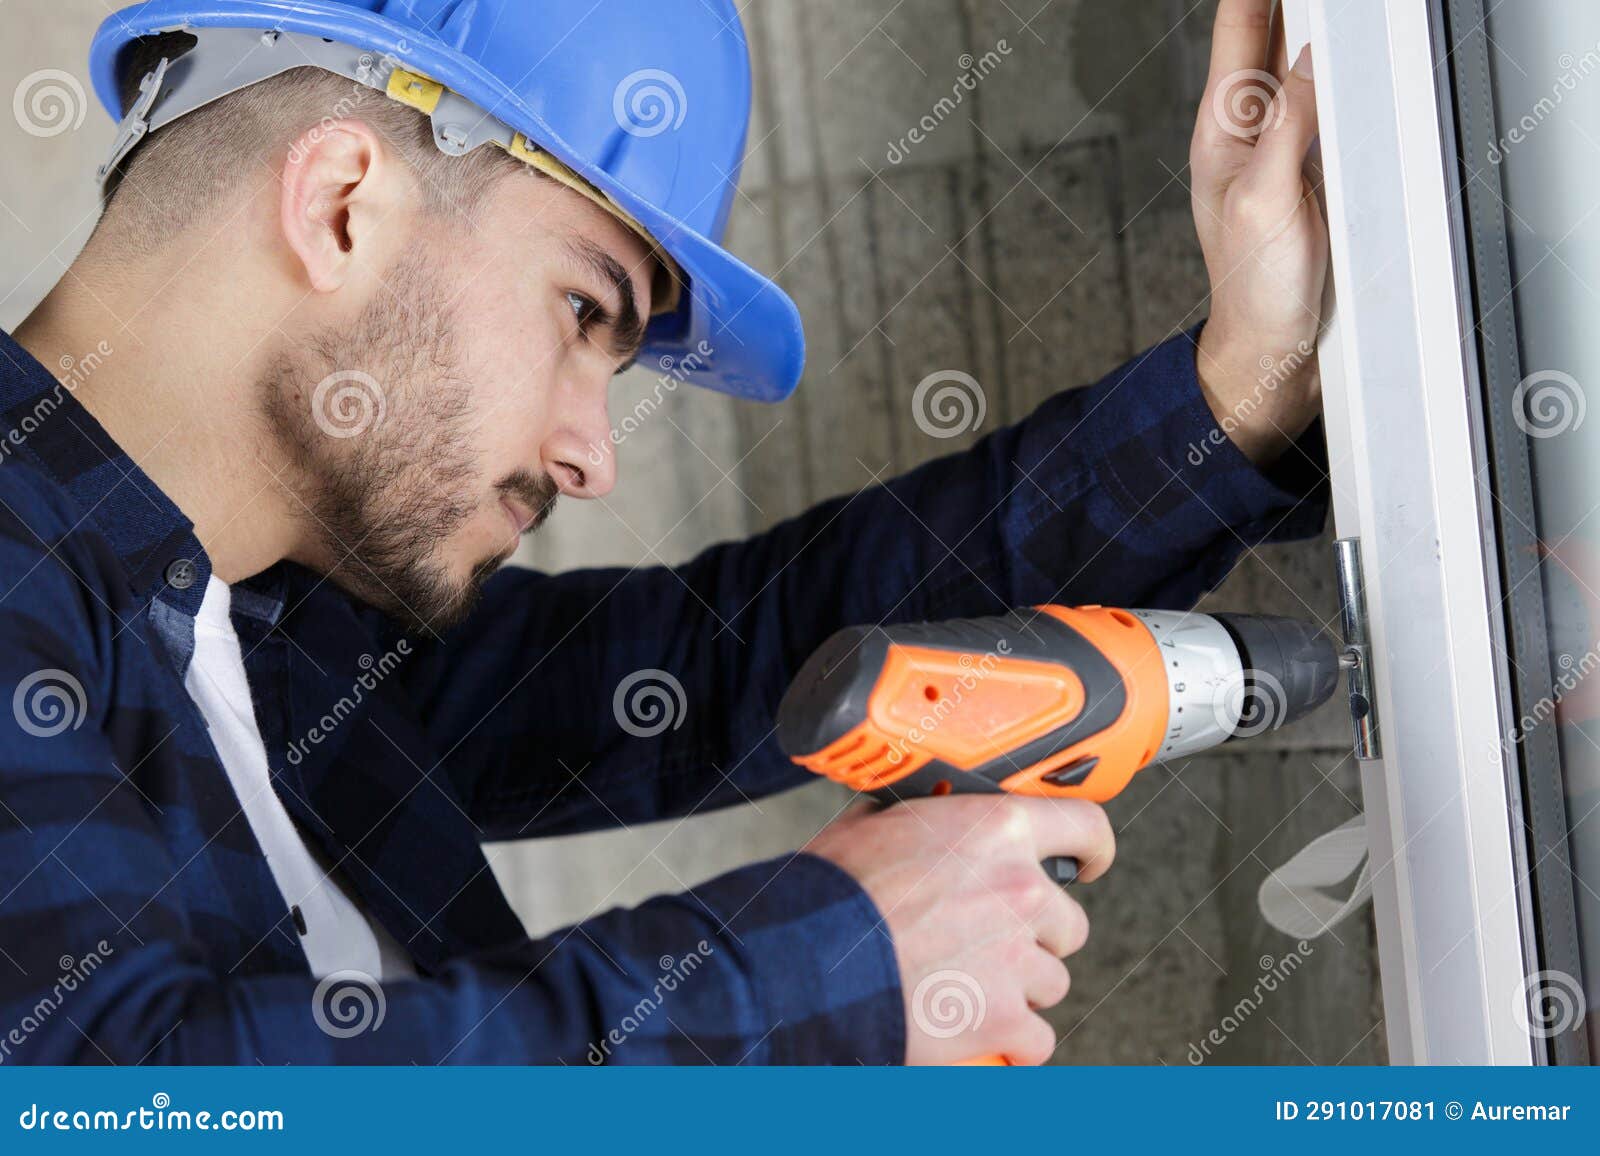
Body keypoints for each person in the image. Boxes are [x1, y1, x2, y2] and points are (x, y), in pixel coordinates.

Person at [0, 0, 1326, 1064]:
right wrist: (833, 966)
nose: (590, 453)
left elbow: (726, 663)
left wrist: (1235, 395)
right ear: (343, 205)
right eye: (584, 314)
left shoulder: (284, 633)